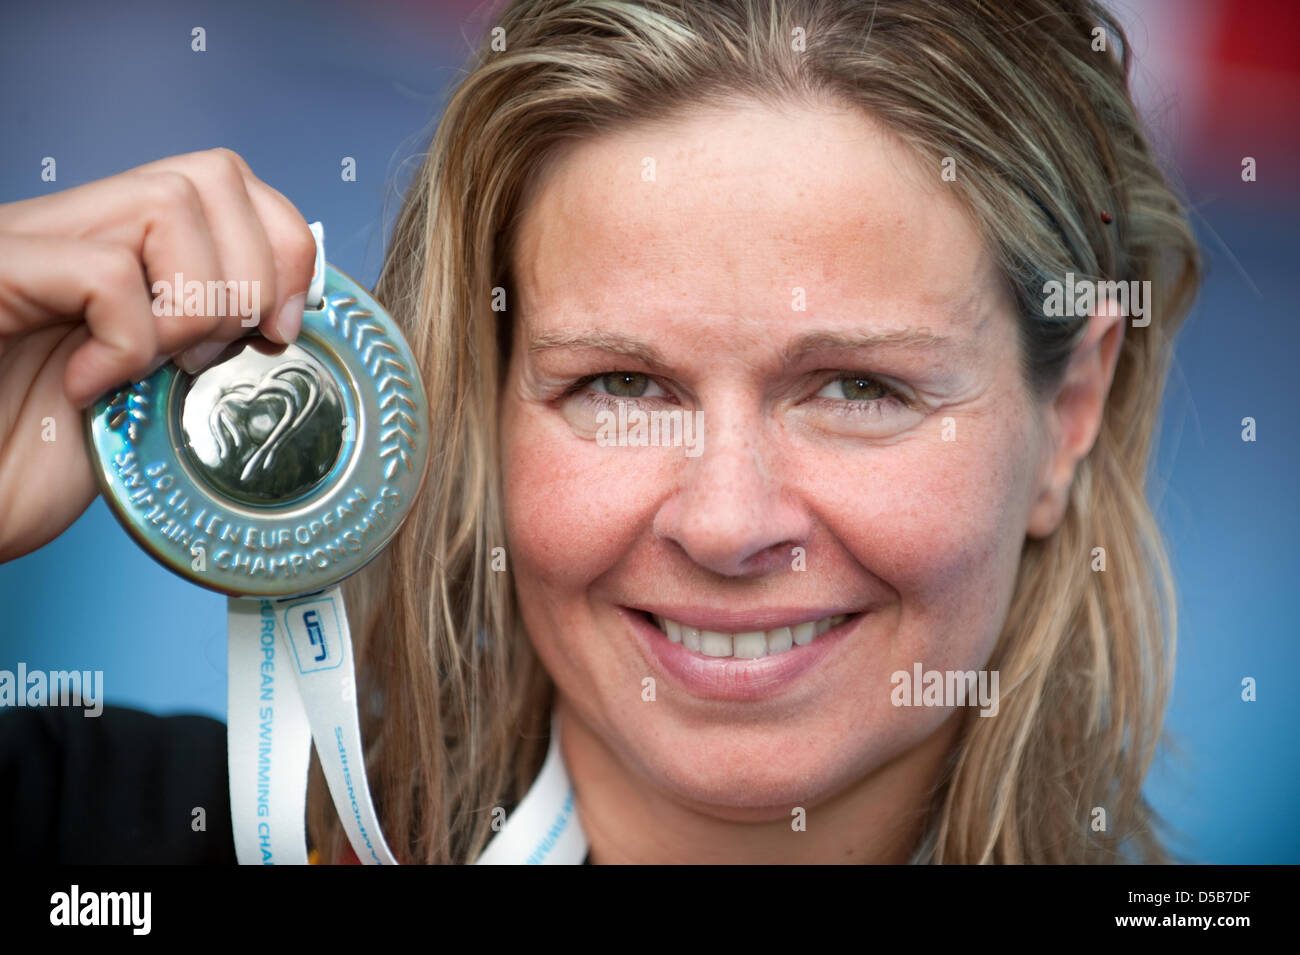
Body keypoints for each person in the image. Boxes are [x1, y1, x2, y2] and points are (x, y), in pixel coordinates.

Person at [0, 0, 1200, 864]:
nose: (726, 523)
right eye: (621, 385)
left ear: (1068, 414)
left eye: (857, 388)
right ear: (486, 398)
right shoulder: (86, 835)